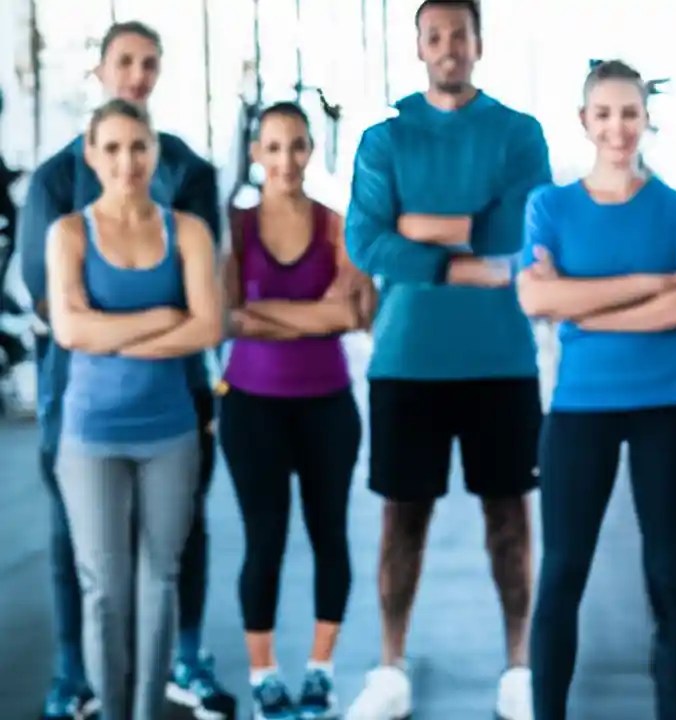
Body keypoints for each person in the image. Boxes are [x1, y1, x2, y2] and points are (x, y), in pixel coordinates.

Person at [15, 21, 235, 720]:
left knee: (168, 560)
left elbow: (207, 317)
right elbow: (61, 316)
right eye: (125, 62)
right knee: (88, 564)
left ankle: (181, 666)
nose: (137, 73)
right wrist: (164, 322)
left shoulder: (189, 177)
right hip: (79, 406)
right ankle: (73, 677)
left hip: (174, 406)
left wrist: (116, 332)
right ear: (102, 70)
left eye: (149, 63)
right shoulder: (57, 189)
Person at [342, 2, 551, 719]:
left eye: (460, 34)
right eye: (436, 36)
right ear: (420, 46)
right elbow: (366, 244)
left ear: (478, 44)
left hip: (500, 359)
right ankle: (390, 665)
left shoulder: (519, 134)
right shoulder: (384, 138)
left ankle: (521, 667)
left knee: (509, 521)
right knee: (403, 522)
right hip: (406, 361)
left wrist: (418, 228)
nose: (449, 47)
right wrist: (465, 256)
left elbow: (516, 231)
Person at [517, 60, 676, 720]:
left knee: (667, 579)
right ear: (584, 121)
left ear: (647, 118)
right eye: (605, 114)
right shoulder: (551, 205)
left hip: (666, 405)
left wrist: (582, 308)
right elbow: (534, 295)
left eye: (630, 112)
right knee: (562, 572)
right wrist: (648, 283)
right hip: (579, 408)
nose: (618, 127)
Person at [219, 102, 375, 720]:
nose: (287, 160)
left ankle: (320, 671)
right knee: (264, 540)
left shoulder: (338, 227)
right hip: (251, 411)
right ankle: (264, 677)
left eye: (298, 146)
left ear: (312, 151)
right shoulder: (236, 228)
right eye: (274, 147)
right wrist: (315, 316)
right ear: (257, 154)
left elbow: (355, 316)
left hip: (327, 409)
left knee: (329, 535)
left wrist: (265, 318)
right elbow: (224, 317)